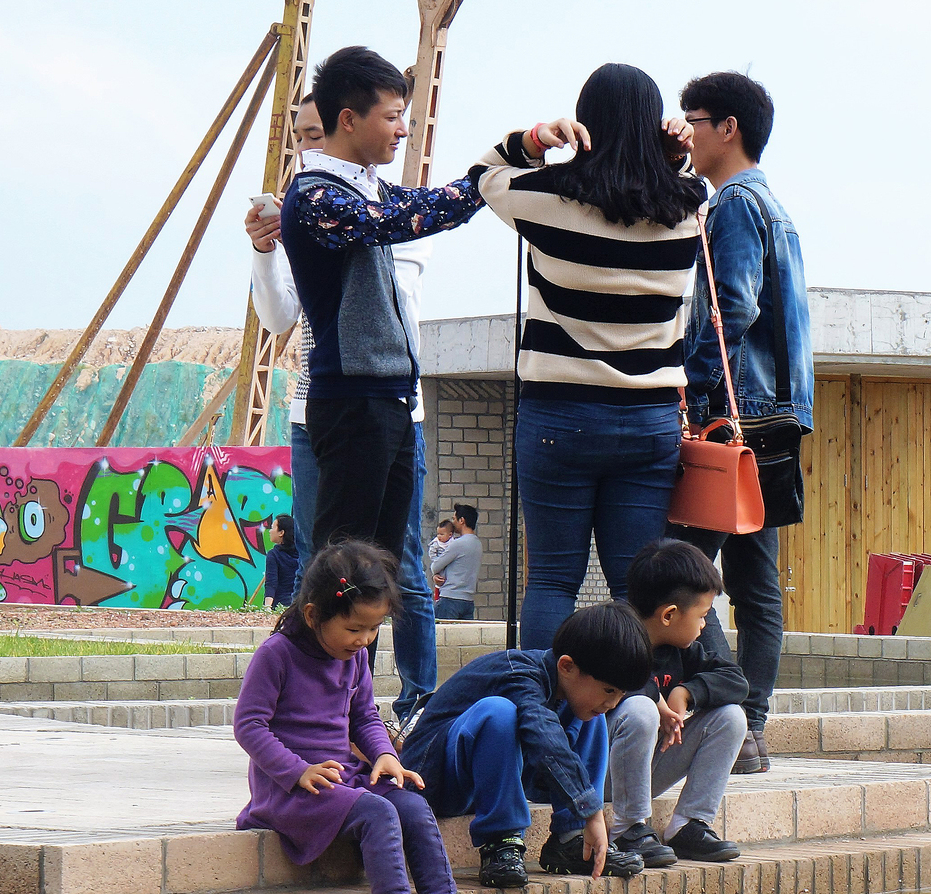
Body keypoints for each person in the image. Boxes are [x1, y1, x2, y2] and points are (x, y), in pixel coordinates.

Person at [469, 63, 708, 650]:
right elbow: (673, 185)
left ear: (585, 123)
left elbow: (483, 175)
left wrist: (535, 140)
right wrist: (673, 156)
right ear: (655, 126)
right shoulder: (688, 209)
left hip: (559, 417)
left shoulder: (548, 200)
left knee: (553, 580)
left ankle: (541, 699)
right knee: (637, 587)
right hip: (649, 422)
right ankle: (634, 701)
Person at [247, 84, 442, 723]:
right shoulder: (313, 203)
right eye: (302, 139)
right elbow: (280, 315)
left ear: (344, 125)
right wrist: (268, 250)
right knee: (327, 566)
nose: (310, 151)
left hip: (392, 406)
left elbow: (395, 297)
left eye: (317, 135)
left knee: (398, 567)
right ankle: (320, 706)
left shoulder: (385, 206)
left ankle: (408, 703)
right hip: (321, 409)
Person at [232, 540, 495, 894]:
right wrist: (297, 771)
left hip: (343, 778)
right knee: (378, 812)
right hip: (290, 788)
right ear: (313, 614)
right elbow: (249, 726)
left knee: (413, 806)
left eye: (374, 629)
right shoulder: (276, 655)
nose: (365, 639)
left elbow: (365, 717)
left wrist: (384, 755)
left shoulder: (352, 657)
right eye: (355, 628)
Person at [278, 46, 488, 572]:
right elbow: (410, 217)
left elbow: (427, 204)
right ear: (349, 120)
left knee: (380, 569)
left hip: (387, 399)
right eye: (392, 117)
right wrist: (494, 173)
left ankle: (353, 633)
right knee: (344, 570)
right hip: (352, 401)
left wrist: (508, 159)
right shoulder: (318, 198)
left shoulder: (365, 188)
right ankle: (312, 631)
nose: (401, 130)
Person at [672, 71, 813, 776]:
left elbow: (733, 305)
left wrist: (690, 383)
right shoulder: (775, 207)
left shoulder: (731, 205)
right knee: (757, 584)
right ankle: (750, 730)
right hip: (779, 419)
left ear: (727, 128)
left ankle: (726, 713)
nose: (686, 134)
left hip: (734, 419)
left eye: (693, 120)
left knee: (678, 573)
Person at [399, 602, 651, 888]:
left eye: (620, 694)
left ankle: (571, 838)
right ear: (567, 666)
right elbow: (543, 737)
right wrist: (592, 810)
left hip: (493, 777)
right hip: (437, 779)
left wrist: (584, 813)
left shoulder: (565, 686)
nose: (613, 702)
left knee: (590, 712)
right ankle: (501, 841)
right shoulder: (519, 675)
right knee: (500, 713)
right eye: (609, 690)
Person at [607, 540, 747, 867]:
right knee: (640, 710)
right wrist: (654, 699)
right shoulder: (610, 630)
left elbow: (736, 680)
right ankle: (628, 826)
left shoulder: (680, 649)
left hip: (645, 771)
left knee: (731, 716)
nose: (703, 626)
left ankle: (689, 824)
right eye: (702, 616)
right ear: (669, 614)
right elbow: (616, 671)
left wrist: (686, 692)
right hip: (598, 773)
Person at [432, 503, 482, 620]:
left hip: (450, 599)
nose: (452, 523)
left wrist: (436, 575)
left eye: (454, 519)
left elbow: (435, 566)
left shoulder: (458, 543)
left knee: (442, 631)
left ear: (462, 520)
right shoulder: (478, 544)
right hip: (468, 601)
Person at [263, 513, 300, 609]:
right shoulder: (302, 553)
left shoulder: (273, 555)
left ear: (281, 533)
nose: (270, 531)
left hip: (279, 605)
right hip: (297, 605)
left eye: (272, 528)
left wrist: (267, 607)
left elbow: (271, 583)